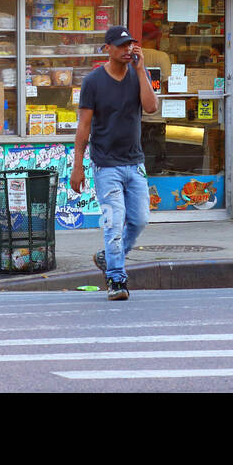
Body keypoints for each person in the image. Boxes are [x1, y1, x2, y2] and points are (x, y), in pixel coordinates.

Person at [70, 26, 158, 301]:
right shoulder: (93, 81)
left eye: (130, 44)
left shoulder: (137, 76)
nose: (127, 49)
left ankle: (107, 257)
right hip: (105, 164)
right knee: (113, 222)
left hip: (135, 162)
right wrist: (77, 165)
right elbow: (83, 127)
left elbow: (152, 107)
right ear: (107, 48)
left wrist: (142, 70)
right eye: (120, 45)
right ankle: (116, 279)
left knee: (140, 219)